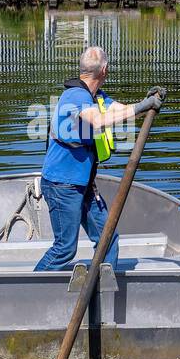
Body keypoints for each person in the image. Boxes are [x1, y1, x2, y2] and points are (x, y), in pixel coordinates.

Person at [34, 46, 163, 272]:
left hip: (82, 185)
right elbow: (98, 121)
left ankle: (103, 291)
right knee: (65, 248)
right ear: (105, 70)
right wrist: (142, 106)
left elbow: (122, 111)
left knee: (108, 239)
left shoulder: (96, 97)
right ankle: (30, 292)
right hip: (61, 185)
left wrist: (147, 102)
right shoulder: (75, 95)